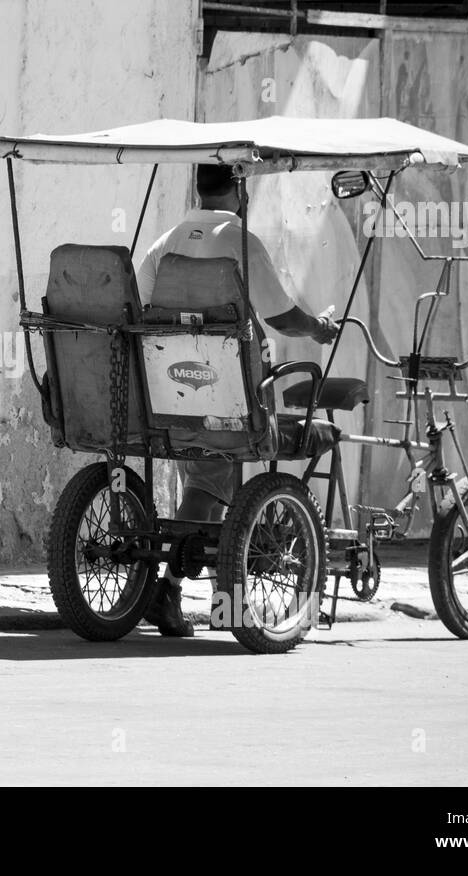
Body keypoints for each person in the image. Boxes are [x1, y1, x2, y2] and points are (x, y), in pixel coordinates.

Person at [134, 164, 338, 637]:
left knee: (206, 486)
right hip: (229, 397)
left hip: (172, 389)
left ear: (197, 190)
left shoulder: (163, 245)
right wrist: (319, 329)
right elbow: (283, 316)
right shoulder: (240, 241)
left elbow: (142, 313)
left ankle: (202, 596)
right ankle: (170, 589)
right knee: (206, 490)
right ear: (240, 189)